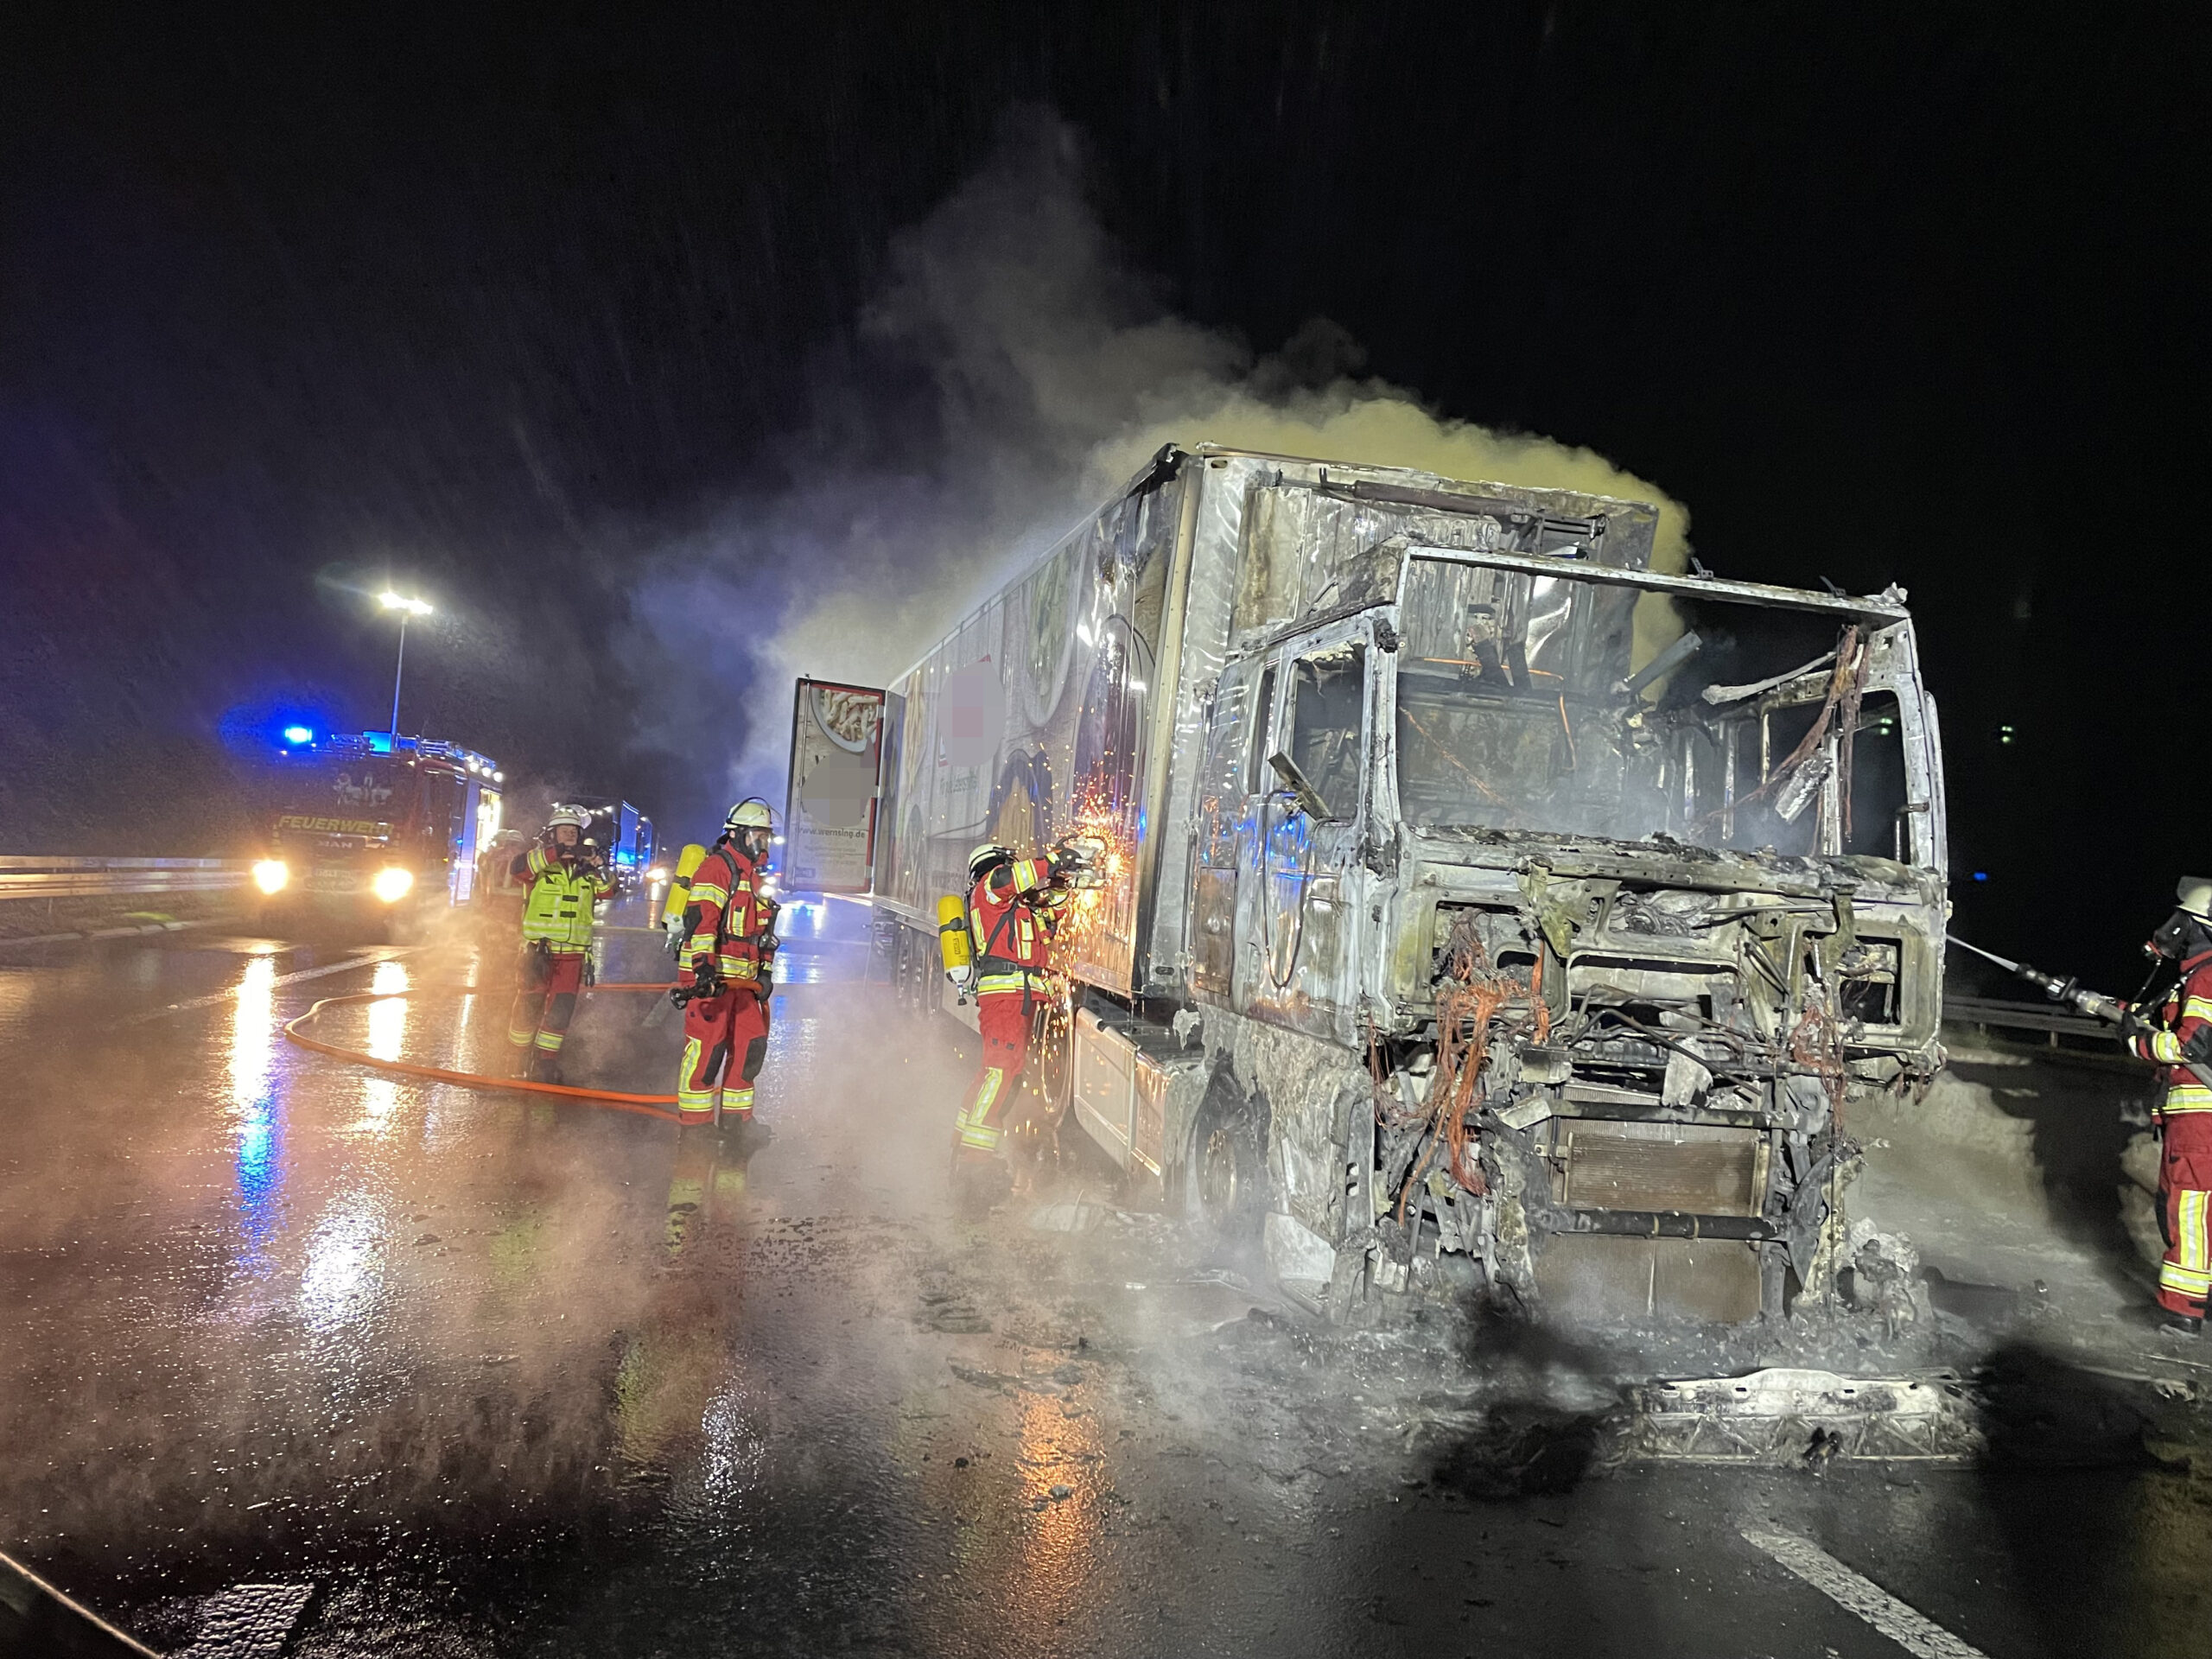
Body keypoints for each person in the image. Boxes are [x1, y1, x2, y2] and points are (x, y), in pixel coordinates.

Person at [950, 841, 1079, 1193]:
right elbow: (1011, 878)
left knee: (999, 1072)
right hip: (1005, 1000)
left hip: (1017, 999)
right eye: (1009, 863)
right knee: (1000, 1071)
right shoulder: (989, 889)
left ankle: (963, 1141)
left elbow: (1050, 915)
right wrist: (1052, 860)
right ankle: (974, 1164)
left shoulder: (1015, 908)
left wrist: (1062, 881)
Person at [2122, 875, 2212, 1338]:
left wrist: (2139, 1044)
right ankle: (2200, 1303)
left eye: (2186, 923)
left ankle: (2182, 1312)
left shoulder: (2207, 976)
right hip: (2196, 1123)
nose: (2173, 931)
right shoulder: (2197, 979)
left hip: (2202, 1125)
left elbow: (2192, 1046)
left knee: (2188, 1212)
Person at [674, 799, 780, 1129]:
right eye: (756, 836)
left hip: (745, 987)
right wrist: (704, 970)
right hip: (713, 982)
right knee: (707, 1053)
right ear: (736, 834)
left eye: (765, 837)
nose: (761, 844)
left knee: (749, 1051)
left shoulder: (754, 878)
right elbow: (701, 923)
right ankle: (696, 1129)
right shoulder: (716, 868)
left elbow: (765, 934)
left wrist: (764, 972)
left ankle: (737, 1125)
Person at [505, 808, 613, 1084]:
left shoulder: (586, 870)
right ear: (552, 835)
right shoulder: (539, 862)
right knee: (529, 1006)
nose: (570, 835)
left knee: (560, 1014)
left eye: (574, 832)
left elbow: (609, 890)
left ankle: (545, 1064)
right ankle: (517, 1059)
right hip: (538, 952)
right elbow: (518, 869)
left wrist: (599, 864)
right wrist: (556, 851)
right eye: (564, 831)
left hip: (573, 956)